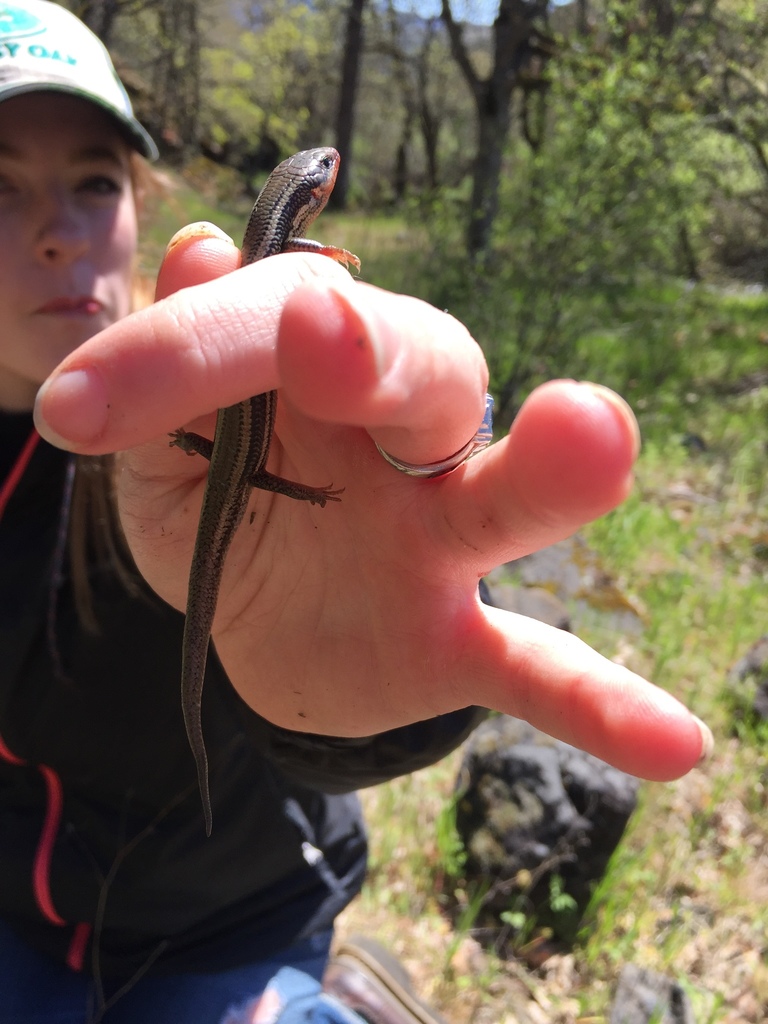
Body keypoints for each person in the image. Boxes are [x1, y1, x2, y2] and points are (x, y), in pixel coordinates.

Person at [0, 1, 712, 1022]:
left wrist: (376, 662)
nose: (58, 233)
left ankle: (335, 994)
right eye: (1, 186)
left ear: (138, 201)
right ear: (310, 201)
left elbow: (316, 706)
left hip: (234, 919)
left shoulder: (194, 388)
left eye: (94, 181)